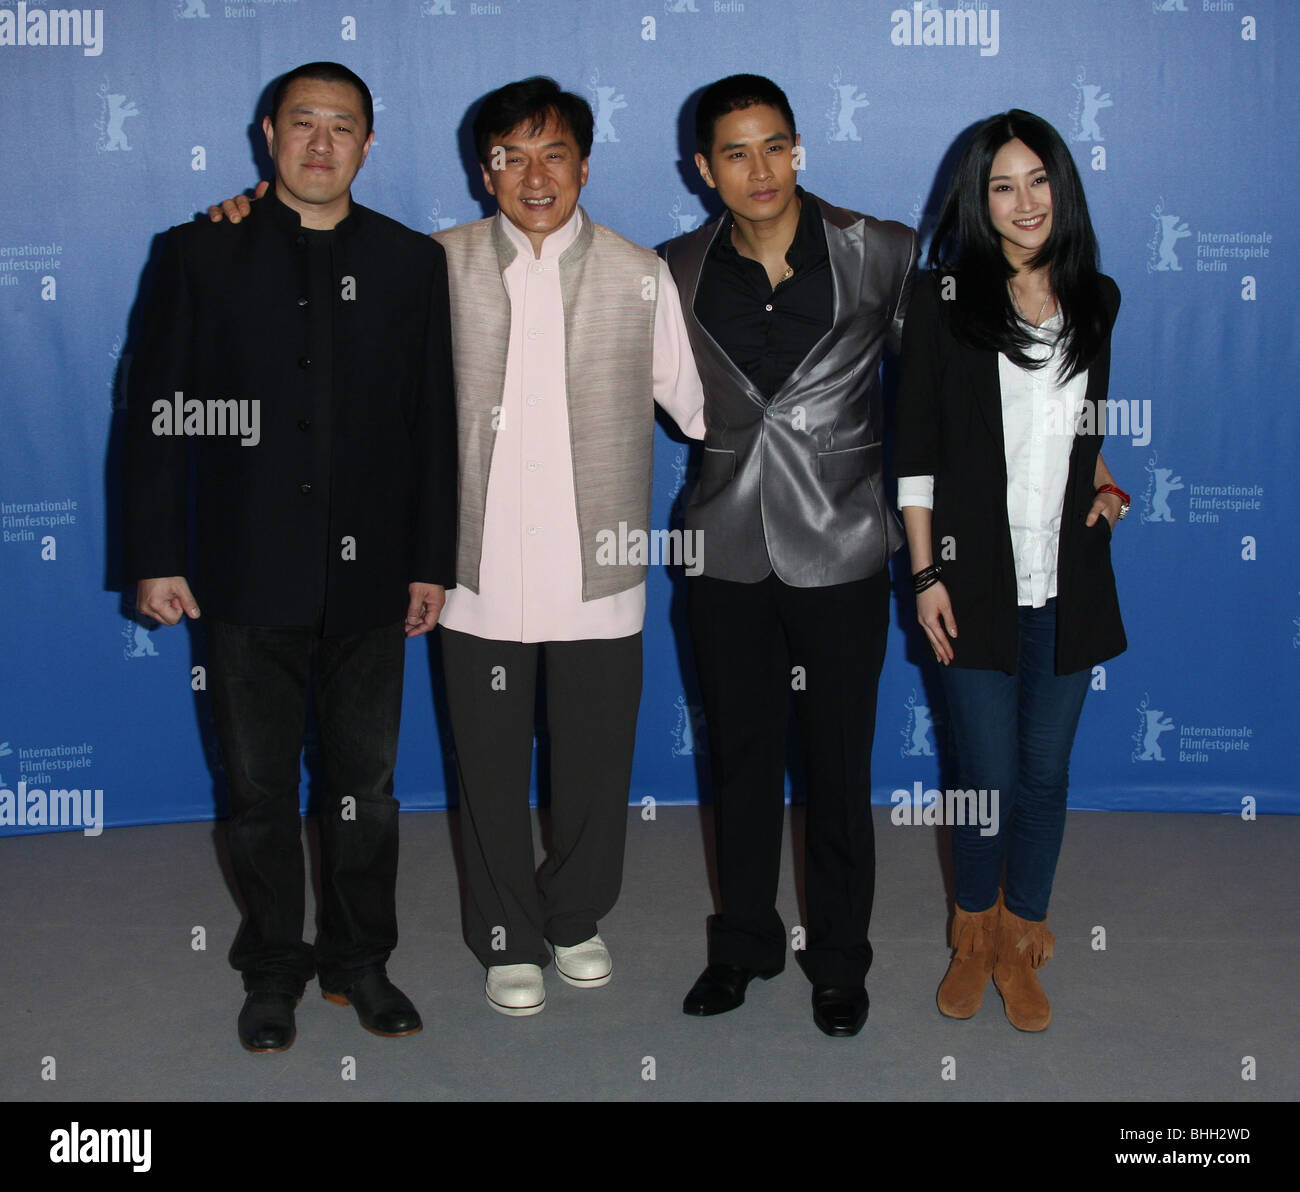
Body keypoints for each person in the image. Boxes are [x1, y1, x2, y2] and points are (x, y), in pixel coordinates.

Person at [126, 62, 457, 1053]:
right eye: (302, 123)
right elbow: (155, 418)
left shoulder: (409, 263)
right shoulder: (197, 253)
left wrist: (431, 559)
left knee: (367, 786)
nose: (321, 143)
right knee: (260, 789)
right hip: (241, 570)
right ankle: (272, 966)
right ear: (267, 132)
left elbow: (432, 425)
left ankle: (360, 960)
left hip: (370, 580)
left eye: (342, 126)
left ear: (368, 142)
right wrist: (156, 553)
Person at [665, 75, 917, 1037]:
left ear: (800, 147)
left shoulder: (882, 250)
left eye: (774, 145)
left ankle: (840, 963)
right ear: (704, 169)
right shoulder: (674, 270)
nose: (758, 168)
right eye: (735, 151)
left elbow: (936, 397)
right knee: (737, 763)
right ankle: (743, 946)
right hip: (723, 549)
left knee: (837, 769)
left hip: (845, 547)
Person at [892, 109, 1128, 1032]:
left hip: (1069, 576)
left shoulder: (1097, 299)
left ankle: (1023, 945)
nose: (1025, 201)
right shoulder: (941, 298)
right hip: (969, 576)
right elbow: (916, 453)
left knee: (1045, 772)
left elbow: (1086, 429)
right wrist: (923, 576)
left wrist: (1107, 491)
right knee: (987, 771)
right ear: (977, 200)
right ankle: (971, 940)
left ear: (1061, 188)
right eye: (1003, 185)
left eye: (1039, 181)